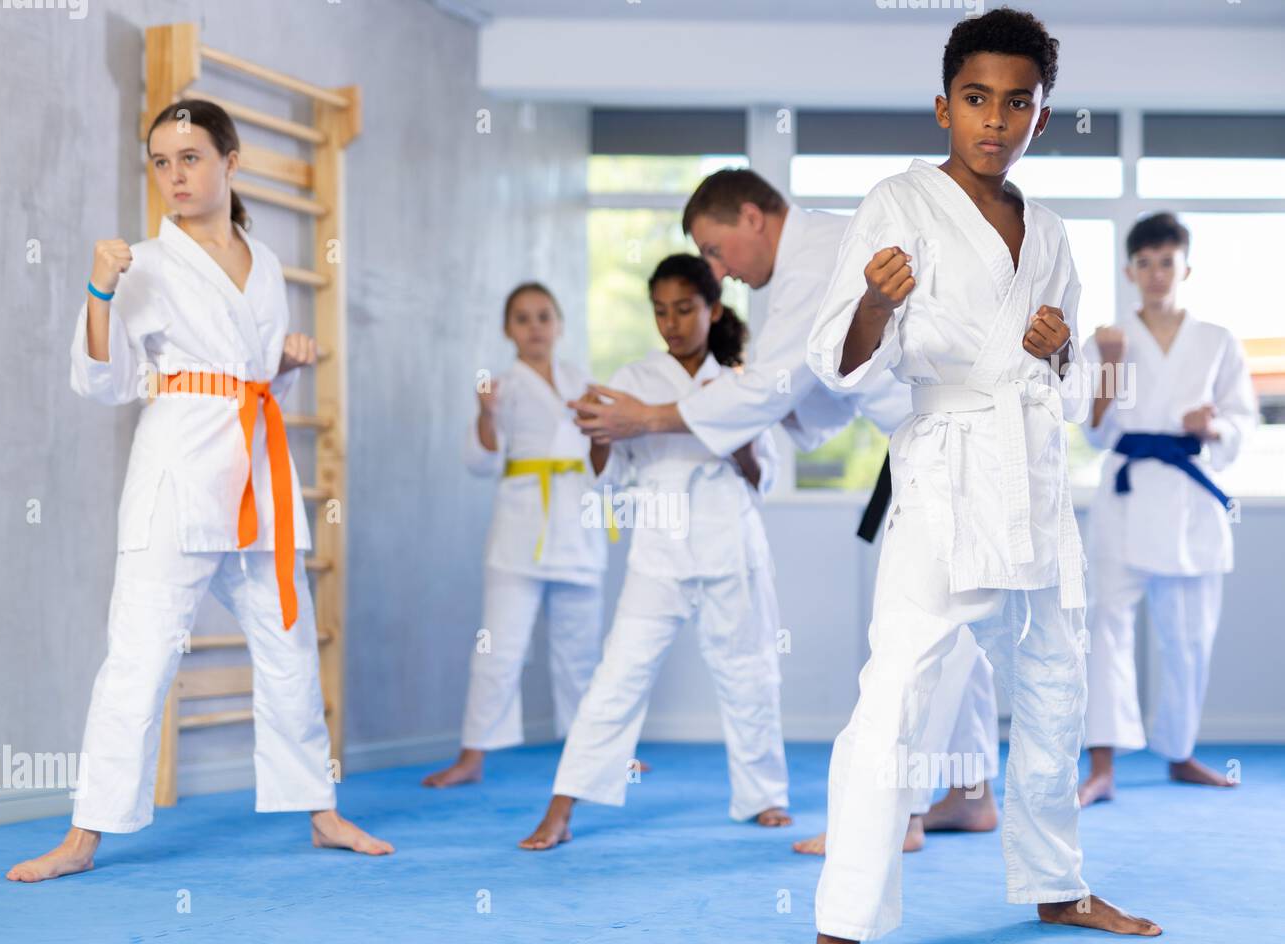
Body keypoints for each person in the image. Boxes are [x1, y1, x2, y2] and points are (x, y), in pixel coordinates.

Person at [777, 8, 1161, 944]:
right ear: (943, 105)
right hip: (946, 469)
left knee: (1051, 684)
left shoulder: (1055, 231)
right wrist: (872, 299)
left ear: (1041, 112)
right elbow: (836, 358)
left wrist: (1059, 347)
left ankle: (1056, 884)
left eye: (1018, 102)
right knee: (893, 695)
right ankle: (838, 930)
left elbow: (1073, 396)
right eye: (977, 99)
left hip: (1035, 471)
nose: (996, 121)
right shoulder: (897, 199)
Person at [7, 100, 391, 884]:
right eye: (160, 162)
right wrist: (99, 291)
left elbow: (248, 381)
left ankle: (318, 811)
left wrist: (283, 361)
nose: (174, 176)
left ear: (230, 161)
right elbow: (103, 383)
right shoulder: (142, 261)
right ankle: (84, 836)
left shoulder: (270, 264)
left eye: (190, 158)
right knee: (139, 662)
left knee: (287, 651)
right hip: (176, 480)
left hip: (255, 477)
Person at [575, 168, 1003, 856]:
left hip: (953, 445)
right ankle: (971, 793)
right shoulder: (819, 257)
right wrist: (737, 402)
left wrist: (650, 417)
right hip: (948, 444)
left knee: (916, 630)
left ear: (752, 217)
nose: (720, 272)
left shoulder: (817, 258)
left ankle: (903, 814)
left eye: (716, 251)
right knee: (955, 631)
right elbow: (830, 390)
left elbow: (769, 393)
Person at [520, 254, 788, 849]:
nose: (671, 323)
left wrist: (732, 426)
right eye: (660, 311)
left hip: (730, 540)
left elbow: (763, 477)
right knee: (617, 676)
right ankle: (562, 809)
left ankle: (764, 795)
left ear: (713, 309)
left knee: (750, 673)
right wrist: (601, 435)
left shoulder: (741, 378)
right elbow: (608, 478)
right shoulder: (631, 382)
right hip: (660, 547)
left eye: (684, 309)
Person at [1078, 212, 1258, 806]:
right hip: (1126, 498)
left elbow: (1242, 419)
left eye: (1167, 262)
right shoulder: (1109, 337)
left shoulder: (1216, 341)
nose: (1156, 274)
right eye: (1145, 263)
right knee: (1105, 626)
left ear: (1186, 268)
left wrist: (1212, 427)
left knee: (1190, 636)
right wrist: (1107, 363)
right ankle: (1102, 763)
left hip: (1188, 497)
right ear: (1130, 270)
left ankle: (1180, 752)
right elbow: (1093, 430)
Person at [423, 283, 610, 789]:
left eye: (544, 317)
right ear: (508, 330)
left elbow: (605, 454)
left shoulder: (582, 382)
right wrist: (485, 414)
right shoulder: (501, 387)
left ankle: (595, 755)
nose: (535, 328)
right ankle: (472, 756)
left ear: (559, 325)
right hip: (521, 529)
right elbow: (481, 461)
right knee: (498, 649)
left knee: (581, 653)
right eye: (523, 319)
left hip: (575, 523)